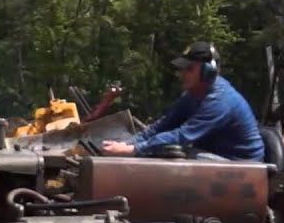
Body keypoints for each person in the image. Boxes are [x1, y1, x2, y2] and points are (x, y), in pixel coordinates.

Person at [102, 42, 264, 161]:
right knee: (165, 152)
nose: (182, 74)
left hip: (242, 165)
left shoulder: (220, 100)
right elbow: (163, 126)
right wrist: (126, 144)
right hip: (213, 156)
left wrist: (133, 150)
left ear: (208, 71)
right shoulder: (192, 95)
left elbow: (182, 135)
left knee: (175, 157)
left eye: (189, 69)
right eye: (182, 68)